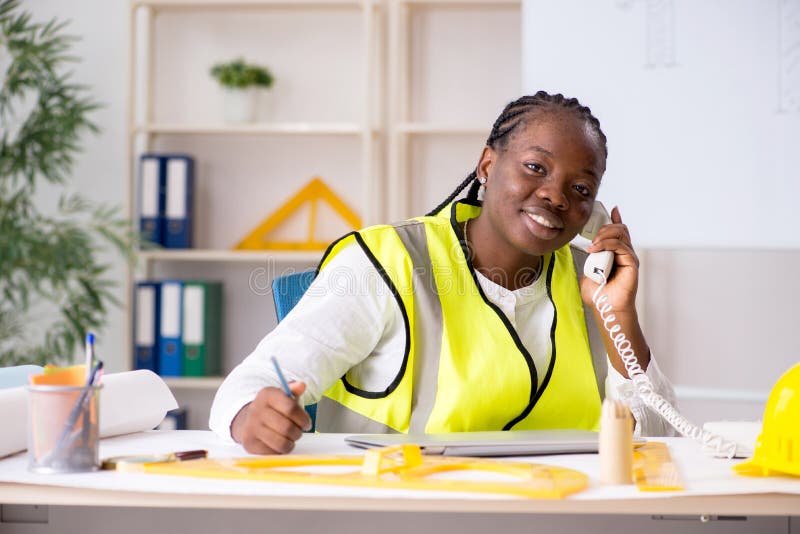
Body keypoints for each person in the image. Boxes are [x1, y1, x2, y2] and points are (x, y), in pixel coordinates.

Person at [209, 91, 676, 454]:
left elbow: (661, 437)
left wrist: (620, 318)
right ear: (488, 165)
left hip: (556, 514)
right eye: (535, 167)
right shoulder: (387, 262)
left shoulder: (590, 283)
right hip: (402, 514)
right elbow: (245, 388)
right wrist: (251, 417)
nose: (556, 196)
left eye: (580, 187)